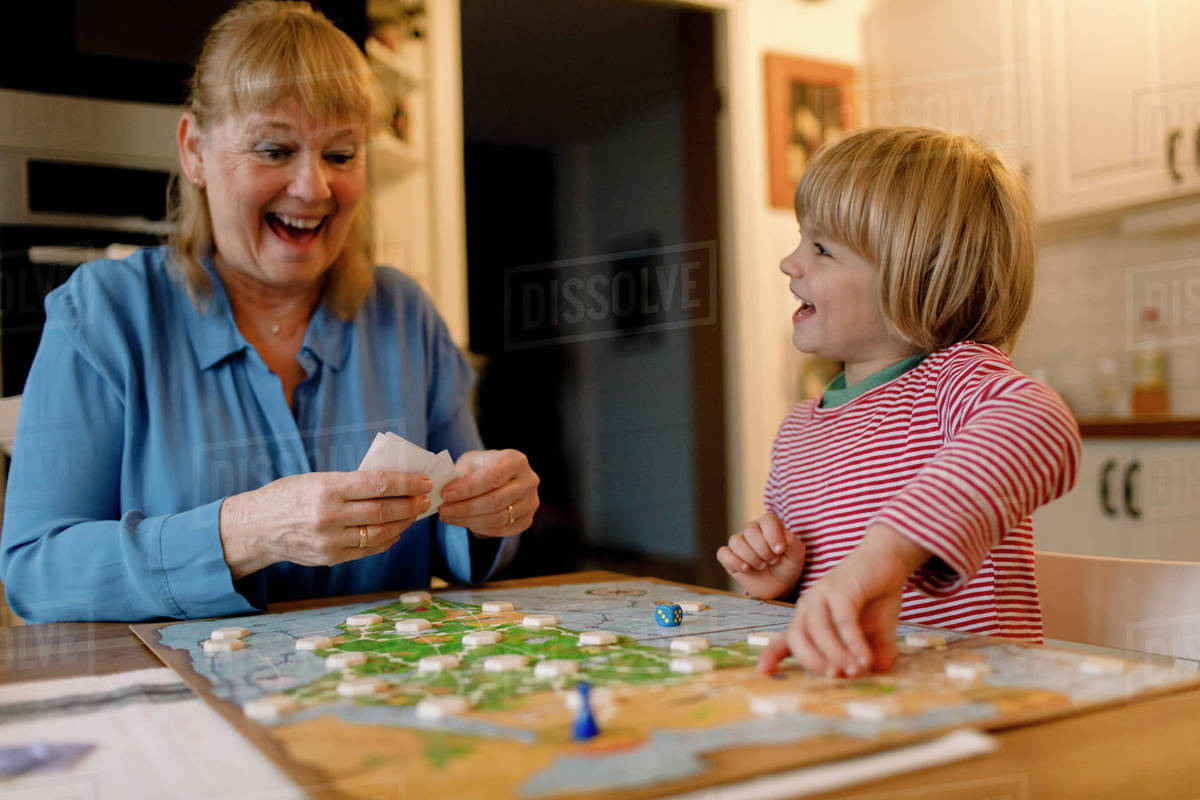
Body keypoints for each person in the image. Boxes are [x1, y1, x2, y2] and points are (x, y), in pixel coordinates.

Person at [0, 1, 538, 623]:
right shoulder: (102, 315)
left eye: (341, 154)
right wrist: (246, 531)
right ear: (194, 150)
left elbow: (465, 543)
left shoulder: (406, 314)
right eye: (275, 149)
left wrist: (494, 510)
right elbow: (35, 572)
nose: (314, 188)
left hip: (383, 700)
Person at [717, 127, 1080, 677]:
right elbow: (827, 612)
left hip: (981, 710)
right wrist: (776, 591)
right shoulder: (796, 431)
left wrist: (887, 553)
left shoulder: (954, 382)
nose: (790, 263)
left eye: (820, 248)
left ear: (919, 277)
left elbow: (1041, 422)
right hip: (861, 707)